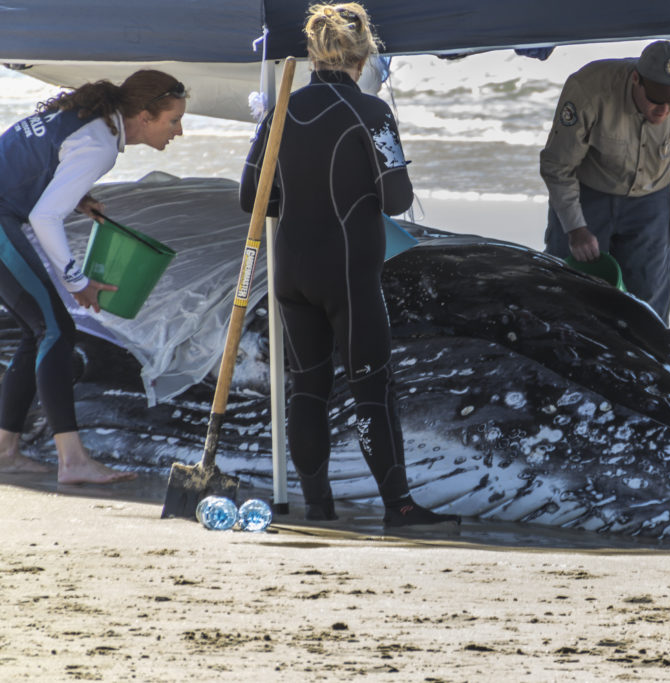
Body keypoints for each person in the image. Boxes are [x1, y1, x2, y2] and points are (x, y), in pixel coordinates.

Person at [240, 2, 459, 528]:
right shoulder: (373, 113)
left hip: (292, 272)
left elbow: (252, 196)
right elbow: (397, 198)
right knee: (371, 387)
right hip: (349, 276)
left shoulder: (279, 112)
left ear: (316, 56)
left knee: (307, 387)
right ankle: (398, 506)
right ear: (364, 59)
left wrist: (301, 198)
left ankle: (317, 505)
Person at [0, 70, 187, 484]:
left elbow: (37, 160)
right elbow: (44, 217)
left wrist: (77, 196)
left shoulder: (90, 118)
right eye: (173, 120)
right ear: (143, 114)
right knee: (56, 330)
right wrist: (77, 281)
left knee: (41, 330)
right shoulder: (100, 144)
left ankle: (5, 451)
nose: (179, 131)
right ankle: (73, 462)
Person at [540, 40, 670, 323]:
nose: (664, 111)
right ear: (636, 79)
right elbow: (557, 166)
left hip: (652, 199)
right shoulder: (588, 89)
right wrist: (575, 227)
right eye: (657, 100)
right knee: (569, 289)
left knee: (647, 299)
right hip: (588, 195)